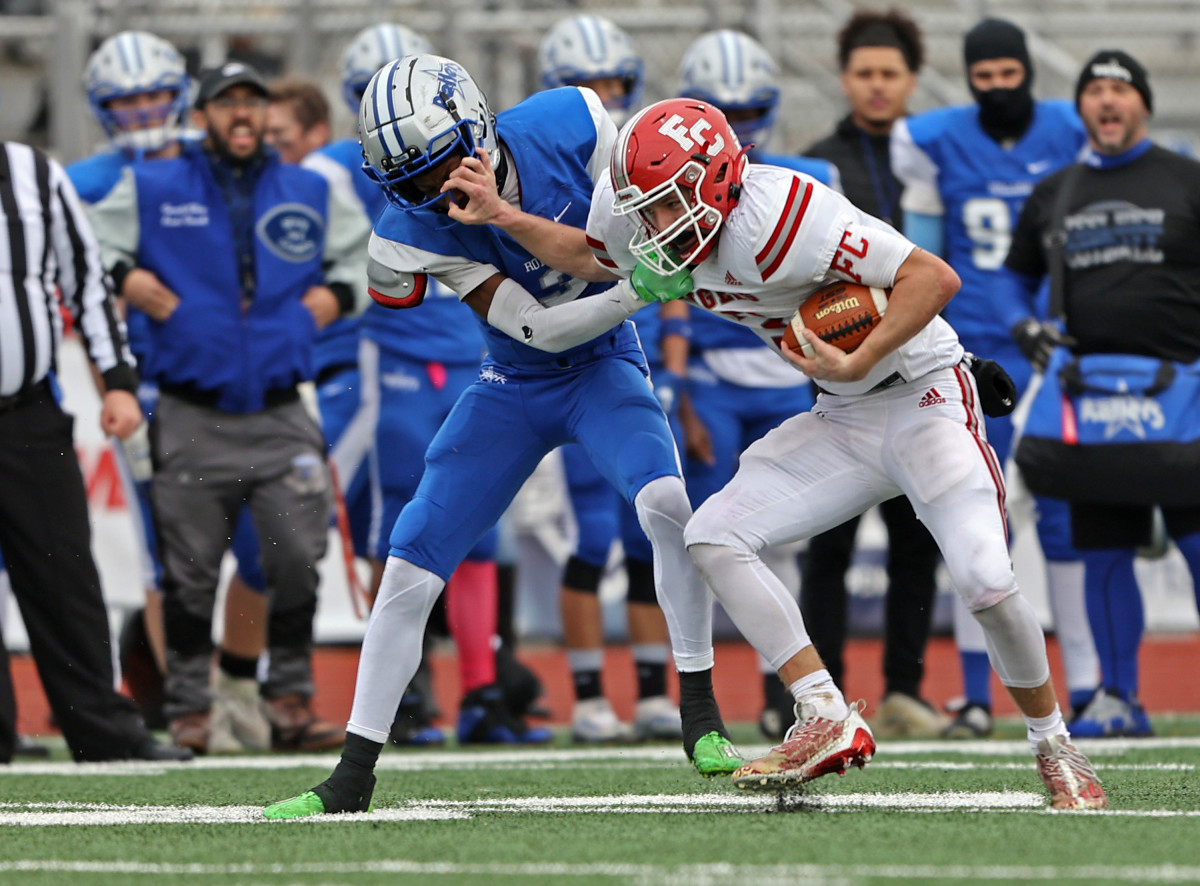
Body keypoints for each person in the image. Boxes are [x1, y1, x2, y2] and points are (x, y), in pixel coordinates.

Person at [586, 97, 1106, 810]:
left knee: (985, 580)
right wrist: (498, 214)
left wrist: (865, 357)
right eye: (643, 209)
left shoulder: (782, 215)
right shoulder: (664, 232)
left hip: (923, 394)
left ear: (715, 181)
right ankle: (823, 711)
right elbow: (581, 255)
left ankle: (1053, 744)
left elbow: (933, 277)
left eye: (666, 204)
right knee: (712, 533)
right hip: (843, 414)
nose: (652, 227)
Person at [263, 54, 743, 819]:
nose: (430, 192)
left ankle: (699, 715)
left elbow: (611, 239)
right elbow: (542, 329)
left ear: (478, 129)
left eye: (439, 168)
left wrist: (608, 268)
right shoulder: (408, 230)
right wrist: (635, 291)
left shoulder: (575, 122)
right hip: (516, 380)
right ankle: (351, 775)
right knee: (412, 557)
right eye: (411, 181)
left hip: (605, 369)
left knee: (667, 507)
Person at [89, 61, 370, 754]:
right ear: (203, 112)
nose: (241, 114)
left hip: (281, 407)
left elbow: (368, 260)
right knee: (188, 571)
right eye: (227, 103)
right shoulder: (153, 185)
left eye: (253, 101)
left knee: (299, 559)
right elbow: (88, 245)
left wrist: (327, 304)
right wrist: (133, 281)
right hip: (191, 408)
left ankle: (291, 704)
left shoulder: (307, 187)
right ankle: (190, 711)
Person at [71, 33, 303, 754]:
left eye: (152, 96)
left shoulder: (221, 173)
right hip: (138, 386)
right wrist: (120, 281)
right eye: (125, 101)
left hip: (242, 385)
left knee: (271, 548)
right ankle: (187, 705)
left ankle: (237, 685)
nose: (142, 112)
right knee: (171, 558)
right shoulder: (82, 182)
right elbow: (70, 279)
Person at [316, 23, 547, 746]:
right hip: (397, 360)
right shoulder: (326, 172)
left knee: (480, 529)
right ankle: (407, 693)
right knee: (402, 525)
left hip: (474, 348)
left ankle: (481, 687)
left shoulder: (489, 156)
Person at [891, 18, 1098, 736]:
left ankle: (1094, 685)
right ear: (970, 78)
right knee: (977, 521)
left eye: (1010, 75)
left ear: (1027, 72)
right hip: (975, 355)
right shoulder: (935, 139)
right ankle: (978, 695)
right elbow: (921, 253)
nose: (1000, 88)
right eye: (985, 78)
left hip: (1064, 351)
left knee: (1072, 521)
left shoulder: (1074, 127)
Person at [1001, 50, 1200, 736]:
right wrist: (1022, 325)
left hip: (1185, 399)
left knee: (1198, 544)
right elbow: (1009, 278)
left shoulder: (1188, 180)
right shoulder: (1055, 191)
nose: (1107, 100)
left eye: (1120, 89)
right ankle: (1119, 699)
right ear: (1081, 108)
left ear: (1142, 102)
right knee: (1105, 550)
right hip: (1091, 400)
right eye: (1094, 91)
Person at [0, 137, 191, 764]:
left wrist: (118, 382)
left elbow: (85, 284)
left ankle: (104, 732)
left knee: (63, 573)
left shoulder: (34, 174)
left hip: (25, 408)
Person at [676, 28, 839, 741]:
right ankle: (722, 693)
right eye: (724, 110)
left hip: (791, 371)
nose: (739, 126)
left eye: (751, 110)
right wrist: (680, 385)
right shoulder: (674, 186)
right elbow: (671, 288)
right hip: (713, 377)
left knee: (789, 544)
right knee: (712, 535)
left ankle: (793, 693)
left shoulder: (803, 177)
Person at [800, 9, 948, 739]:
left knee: (917, 541)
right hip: (840, 376)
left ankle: (904, 693)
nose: (878, 85)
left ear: (911, 79)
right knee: (829, 539)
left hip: (920, 373)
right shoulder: (818, 163)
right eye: (866, 73)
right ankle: (818, 696)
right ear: (845, 78)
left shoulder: (935, 157)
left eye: (890, 73)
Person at [539, 13, 682, 744]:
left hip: (633, 359)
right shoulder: (542, 173)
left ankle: (657, 691)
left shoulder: (648, 171)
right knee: (592, 535)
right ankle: (591, 696)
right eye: (586, 87)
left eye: (615, 85)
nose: (604, 99)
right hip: (566, 364)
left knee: (646, 531)